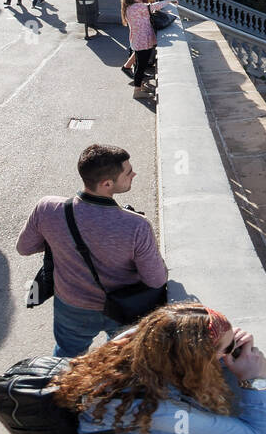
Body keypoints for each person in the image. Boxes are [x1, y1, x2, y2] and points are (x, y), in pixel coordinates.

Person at [47, 301, 266, 434]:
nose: (233, 350)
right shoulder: (162, 410)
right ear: (194, 359)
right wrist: (255, 380)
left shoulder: (141, 341)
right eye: (228, 348)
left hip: (94, 420)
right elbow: (265, 431)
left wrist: (227, 341)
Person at [16, 143, 171, 358]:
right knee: (119, 358)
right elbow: (156, 280)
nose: (134, 174)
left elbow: (24, 248)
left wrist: (60, 241)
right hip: (122, 307)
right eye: (128, 172)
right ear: (107, 184)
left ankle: (62, 389)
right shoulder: (136, 226)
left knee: (66, 355)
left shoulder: (47, 208)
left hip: (70, 306)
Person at [122, 0, 161, 91]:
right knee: (141, 65)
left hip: (138, 39)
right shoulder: (136, 6)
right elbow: (151, 7)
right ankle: (137, 88)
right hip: (141, 40)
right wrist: (169, 2)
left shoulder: (130, 7)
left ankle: (138, 83)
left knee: (140, 63)